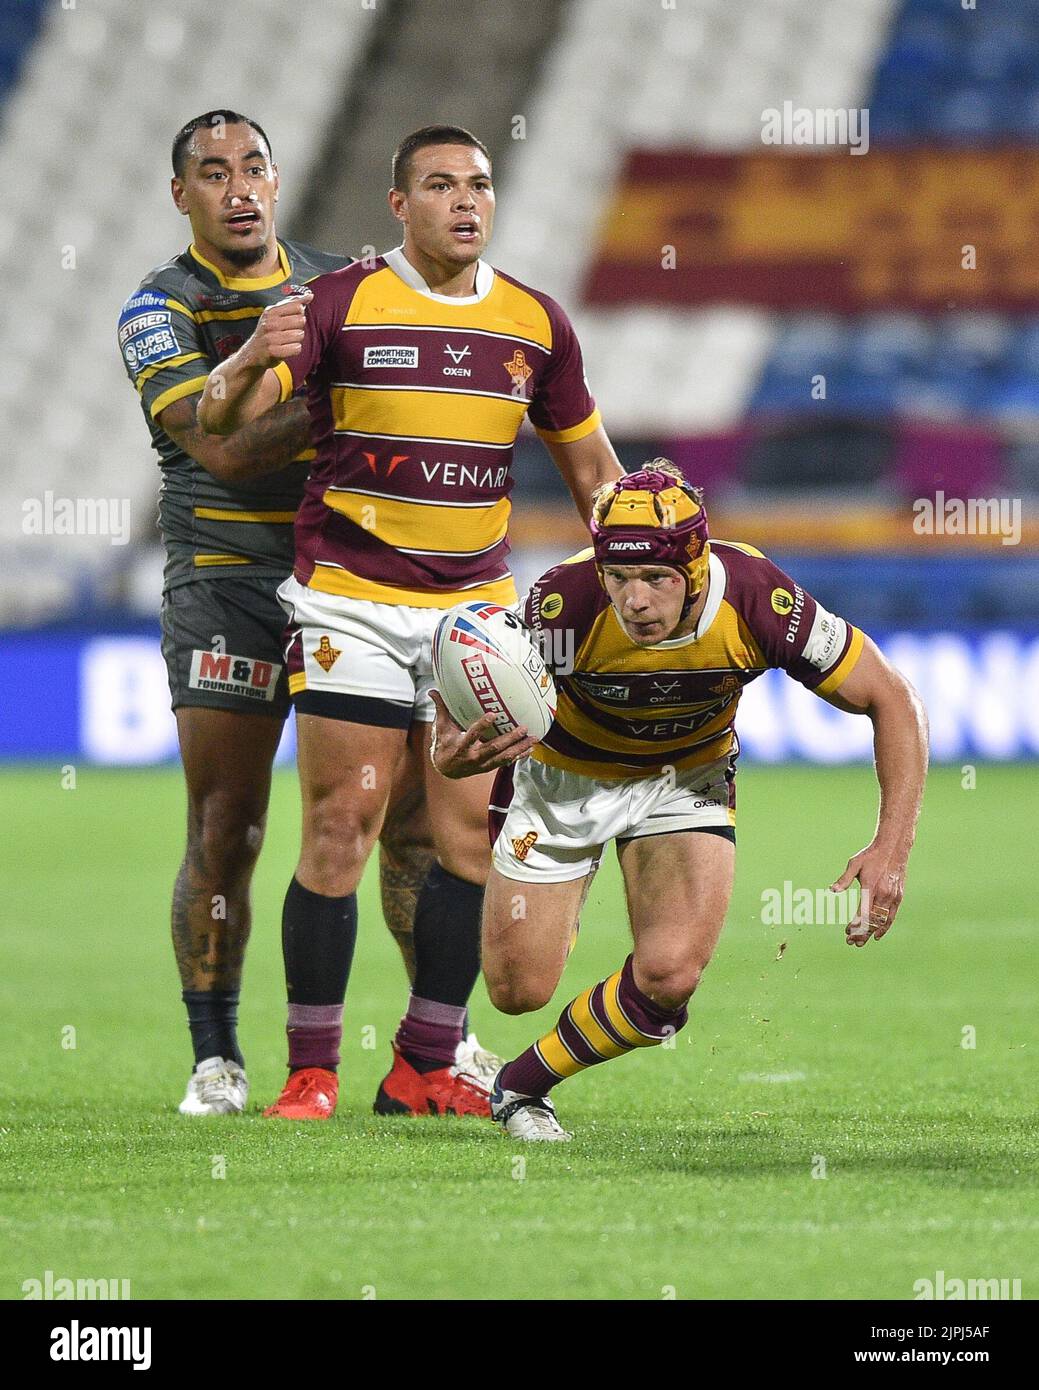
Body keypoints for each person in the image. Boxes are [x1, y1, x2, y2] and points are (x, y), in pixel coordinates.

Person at [199, 124, 623, 1120]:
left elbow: (596, 476)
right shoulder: (338, 304)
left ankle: (424, 1062)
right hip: (349, 598)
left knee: (464, 841)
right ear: (400, 205)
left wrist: (651, 543)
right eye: (439, 185)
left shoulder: (536, 324)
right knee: (341, 822)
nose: (465, 201)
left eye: (478, 184)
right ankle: (311, 1071)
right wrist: (242, 361)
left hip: (471, 617)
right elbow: (220, 424)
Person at [430, 461, 929, 1141]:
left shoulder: (760, 599)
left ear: (695, 570)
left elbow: (890, 698)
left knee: (666, 980)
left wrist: (889, 848)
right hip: (561, 781)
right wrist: (452, 748)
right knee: (517, 990)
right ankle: (562, 902)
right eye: (619, 577)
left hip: (682, 780)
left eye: (655, 579)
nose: (633, 600)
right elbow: (482, 705)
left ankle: (519, 1085)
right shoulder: (561, 605)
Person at [118, 110, 443, 1117]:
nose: (241, 187)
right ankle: (216, 1057)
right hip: (226, 578)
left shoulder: (337, 282)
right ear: (184, 196)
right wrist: (351, 390)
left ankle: (435, 1047)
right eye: (215, 174)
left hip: (351, 580)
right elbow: (219, 450)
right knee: (230, 824)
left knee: (408, 825)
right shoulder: (158, 311)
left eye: (255, 166)